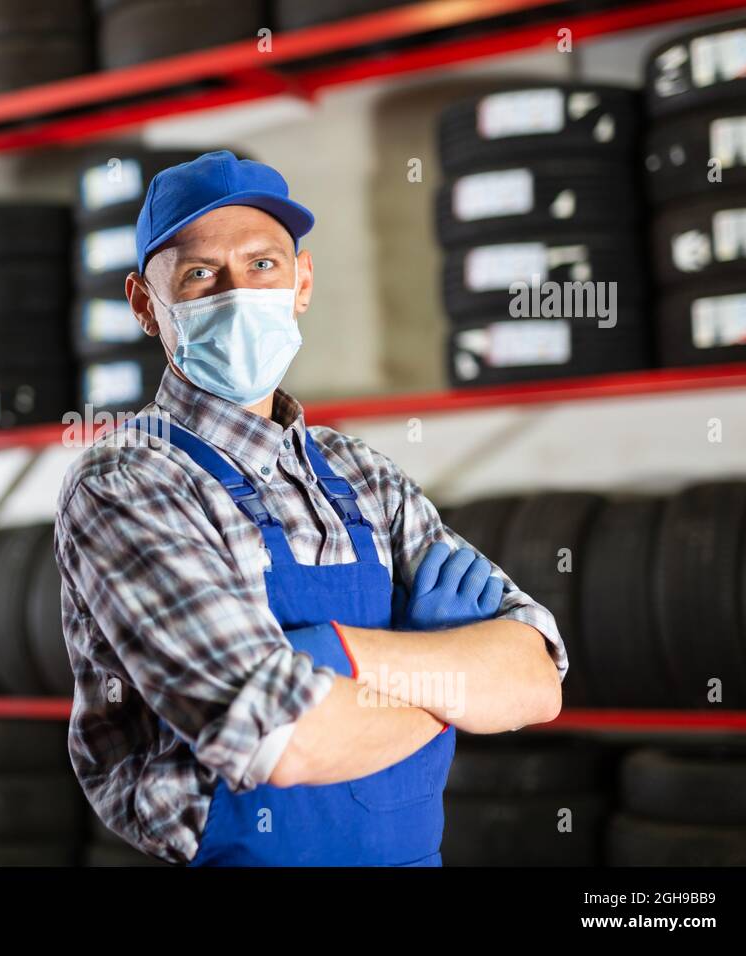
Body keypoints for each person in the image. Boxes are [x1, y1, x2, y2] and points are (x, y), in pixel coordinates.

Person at [54, 150, 565, 866]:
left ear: (302, 282)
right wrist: (449, 677)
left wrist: (338, 656)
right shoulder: (127, 483)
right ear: (145, 304)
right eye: (202, 275)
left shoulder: (364, 476)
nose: (238, 294)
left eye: (263, 265)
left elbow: (537, 679)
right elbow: (284, 739)